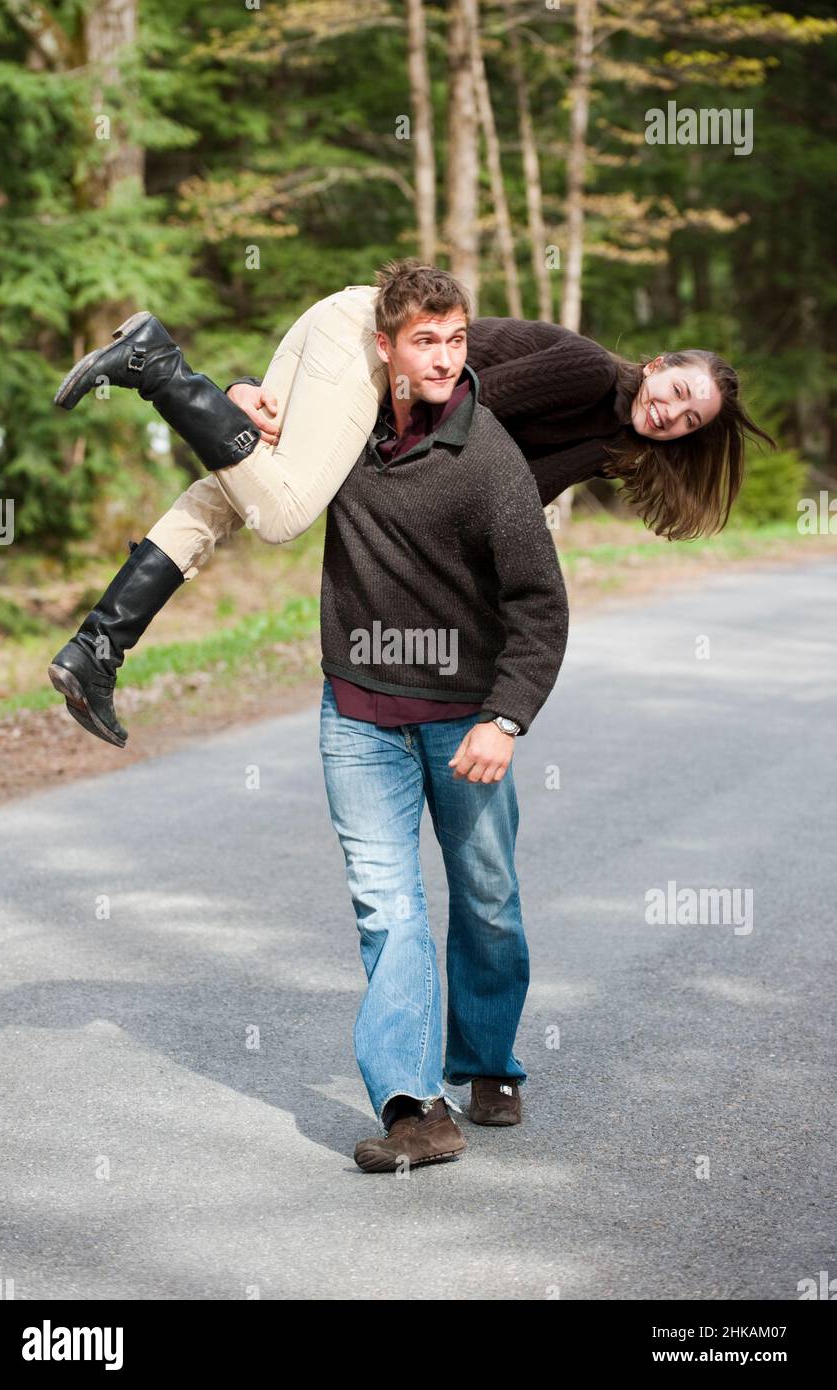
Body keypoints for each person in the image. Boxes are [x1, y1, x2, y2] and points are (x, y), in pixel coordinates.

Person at [47, 261, 774, 746]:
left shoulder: (607, 441)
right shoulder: (587, 373)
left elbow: (504, 494)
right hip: (373, 343)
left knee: (233, 494)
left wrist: (240, 392)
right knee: (285, 510)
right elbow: (463, 412)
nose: (671, 414)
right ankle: (156, 364)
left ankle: (94, 651)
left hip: (360, 339)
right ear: (655, 366)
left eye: (688, 422)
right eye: (675, 392)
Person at [314, 261, 567, 1171]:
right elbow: (256, 454)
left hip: (465, 718)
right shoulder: (338, 432)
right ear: (383, 349)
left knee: (488, 895)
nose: (445, 358)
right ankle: (416, 1107)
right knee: (387, 906)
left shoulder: (486, 455)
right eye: (426, 340)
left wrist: (504, 718)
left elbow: (540, 601)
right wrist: (237, 391)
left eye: (456, 340)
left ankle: (489, 1060)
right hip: (357, 711)